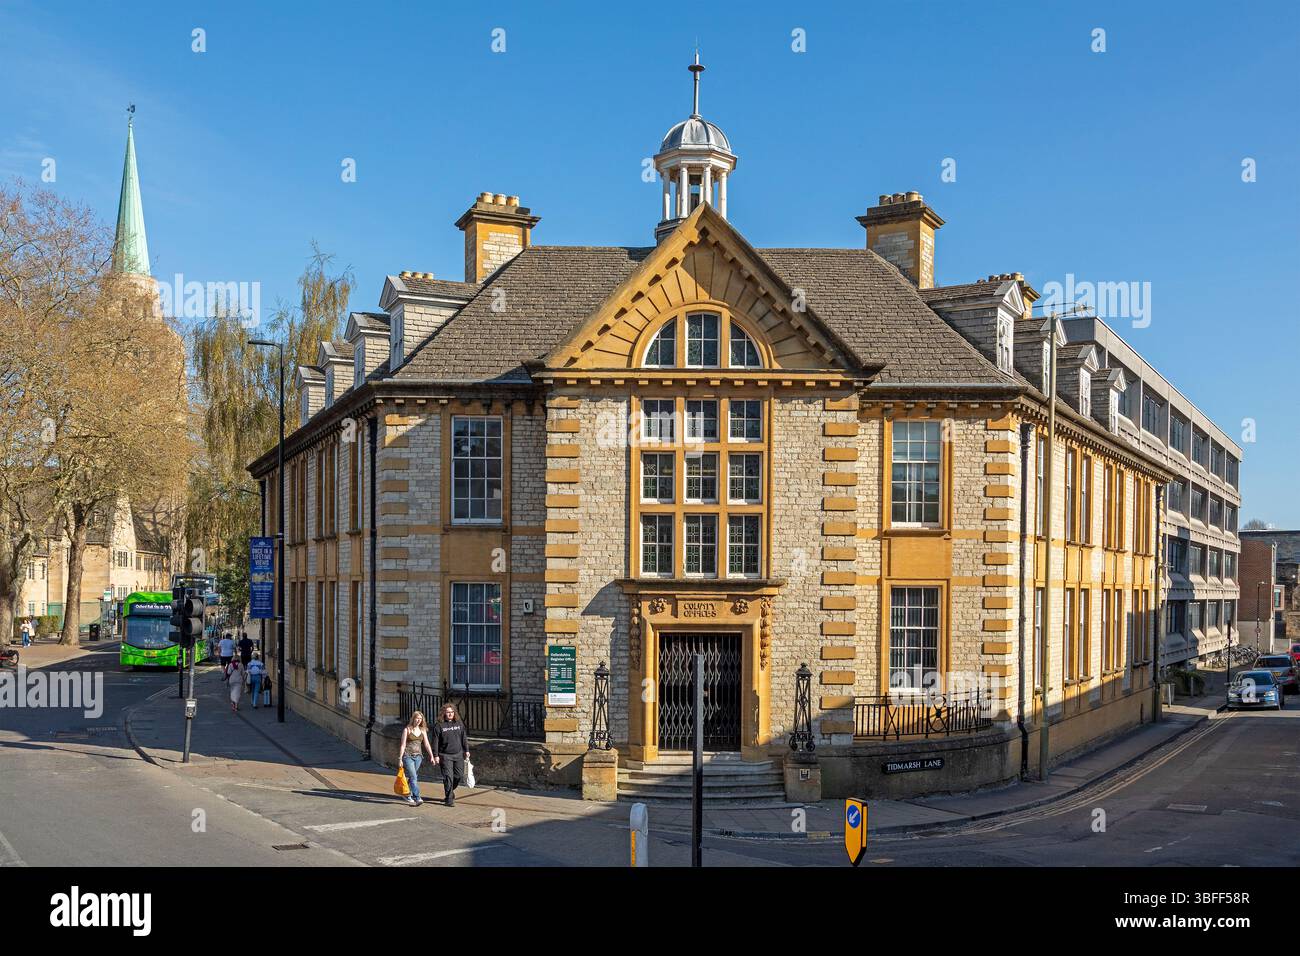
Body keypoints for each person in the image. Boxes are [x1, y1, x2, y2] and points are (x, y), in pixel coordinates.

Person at [432, 704, 470, 807]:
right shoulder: (439, 725)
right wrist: (435, 755)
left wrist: (466, 750)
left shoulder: (459, 723)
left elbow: (464, 738)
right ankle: (449, 799)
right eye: (448, 712)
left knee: (458, 776)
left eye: (452, 712)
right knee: (448, 777)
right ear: (444, 713)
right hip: (445, 755)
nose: (450, 714)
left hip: (458, 754)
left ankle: (450, 789)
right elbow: (435, 742)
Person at [396, 711, 435, 807]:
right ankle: (417, 797)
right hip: (408, 756)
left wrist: (432, 756)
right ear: (413, 719)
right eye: (417, 718)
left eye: (420, 719)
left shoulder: (423, 730)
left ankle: (406, 794)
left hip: (418, 757)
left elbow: (426, 744)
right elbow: (403, 745)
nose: (418, 720)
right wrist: (400, 758)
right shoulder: (407, 730)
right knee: (414, 777)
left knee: (413, 777)